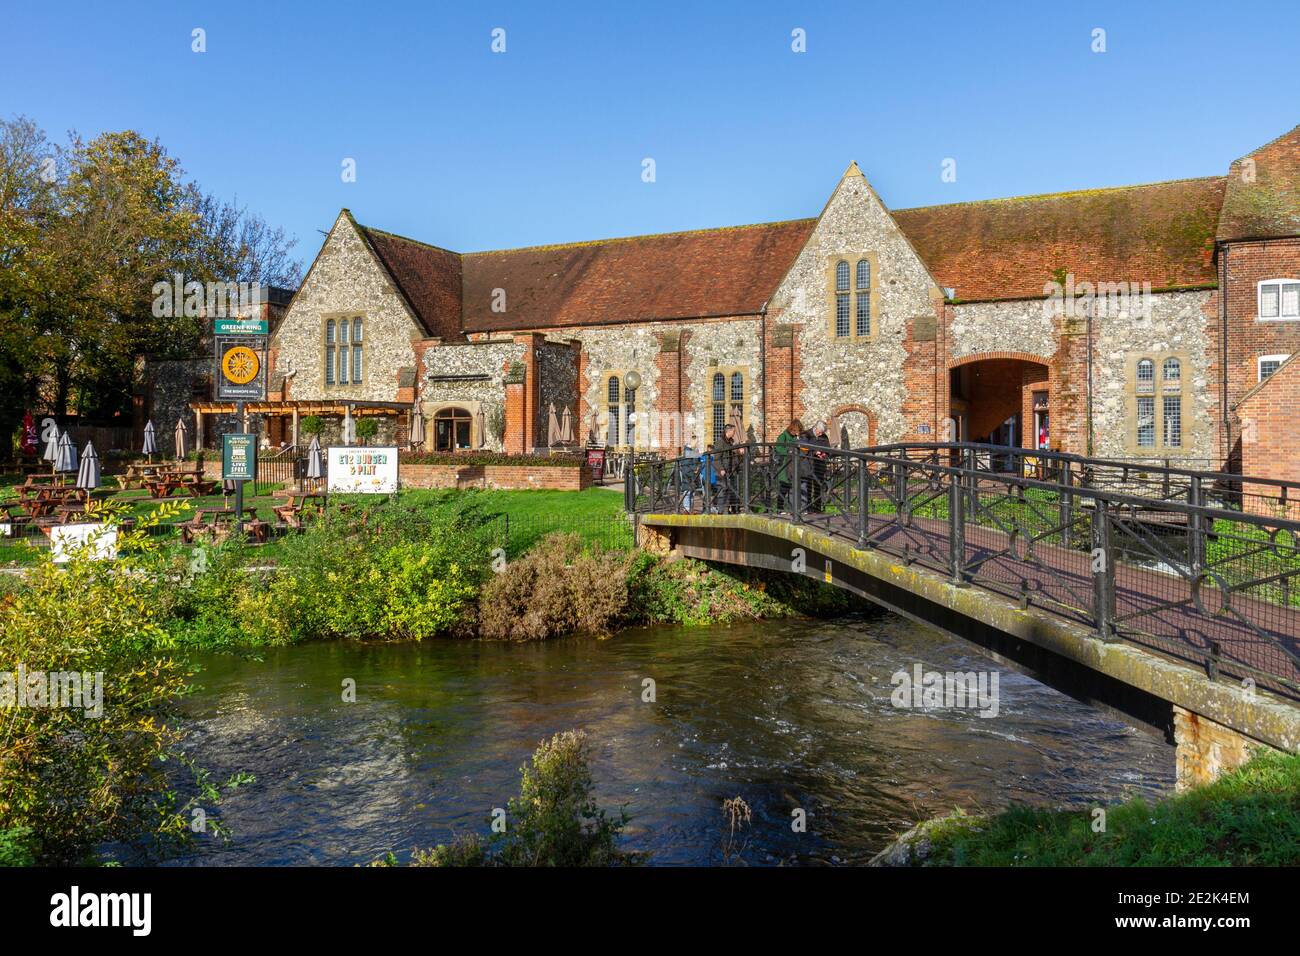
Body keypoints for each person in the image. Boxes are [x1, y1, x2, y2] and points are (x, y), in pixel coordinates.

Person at [801, 420, 831, 513]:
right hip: (809, 465)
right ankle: (809, 508)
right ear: (816, 428)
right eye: (819, 432)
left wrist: (824, 455)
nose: (820, 434)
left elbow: (828, 450)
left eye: (822, 432)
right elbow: (803, 448)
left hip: (820, 465)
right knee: (808, 487)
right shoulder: (806, 435)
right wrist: (815, 452)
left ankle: (817, 508)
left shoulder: (824, 437)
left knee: (818, 487)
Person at [774, 419, 803, 511]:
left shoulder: (797, 438)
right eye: (797, 431)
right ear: (793, 429)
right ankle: (779, 508)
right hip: (784, 465)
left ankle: (793, 509)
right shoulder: (783, 436)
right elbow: (778, 448)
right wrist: (788, 451)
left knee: (794, 488)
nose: (798, 433)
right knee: (783, 488)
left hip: (794, 465)